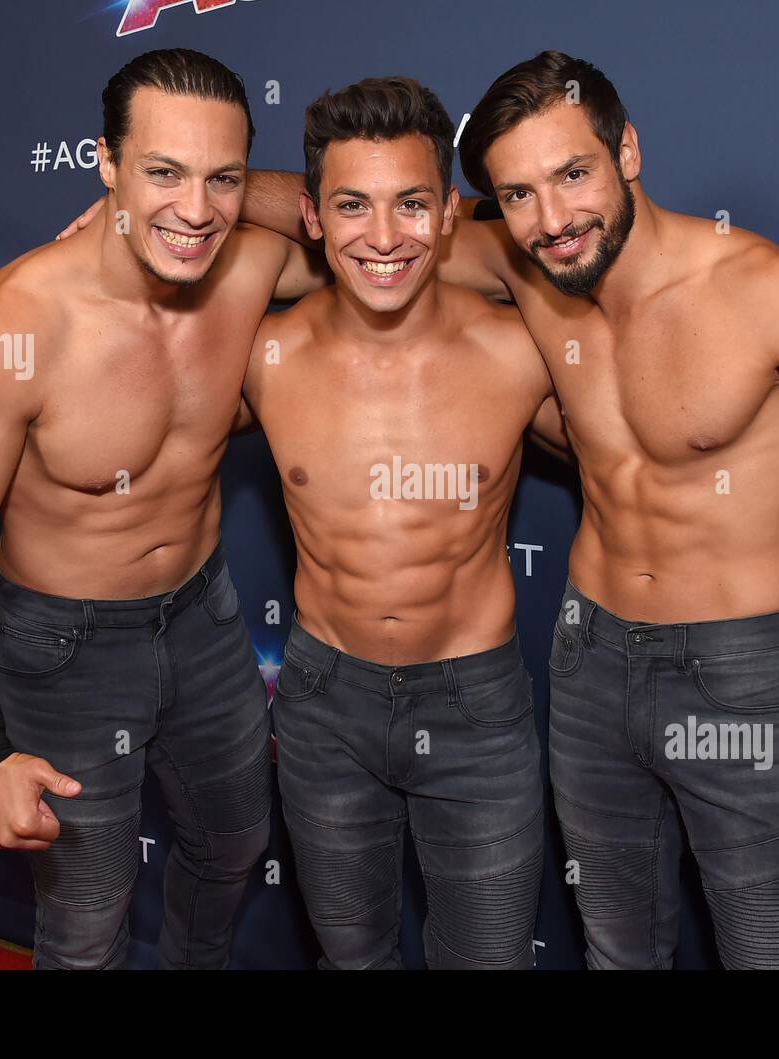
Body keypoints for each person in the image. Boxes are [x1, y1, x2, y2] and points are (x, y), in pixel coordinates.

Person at [242, 51, 779, 969]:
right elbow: (365, 206)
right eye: (517, 194)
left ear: (627, 150)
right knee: (618, 952)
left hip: (737, 675)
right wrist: (188, 202)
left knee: (777, 956)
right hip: (590, 667)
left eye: (573, 174)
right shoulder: (535, 269)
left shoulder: (776, 296)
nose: (552, 217)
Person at [0, 48, 322, 970]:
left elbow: (380, 218)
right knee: (86, 918)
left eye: (223, 178)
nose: (195, 211)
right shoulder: (14, 326)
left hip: (203, 618)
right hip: (62, 650)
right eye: (161, 171)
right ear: (104, 163)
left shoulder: (248, 264)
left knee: (235, 842)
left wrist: (217, 191)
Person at [239, 77, 566, 969]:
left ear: (452, 215)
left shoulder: (520, 353)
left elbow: (652, 460)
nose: (383, 238)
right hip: (322, 704)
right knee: (352, 958)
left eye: (411, 205)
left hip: (475, 705)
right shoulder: (263, 353)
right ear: (311, 216)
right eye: (353, 206)